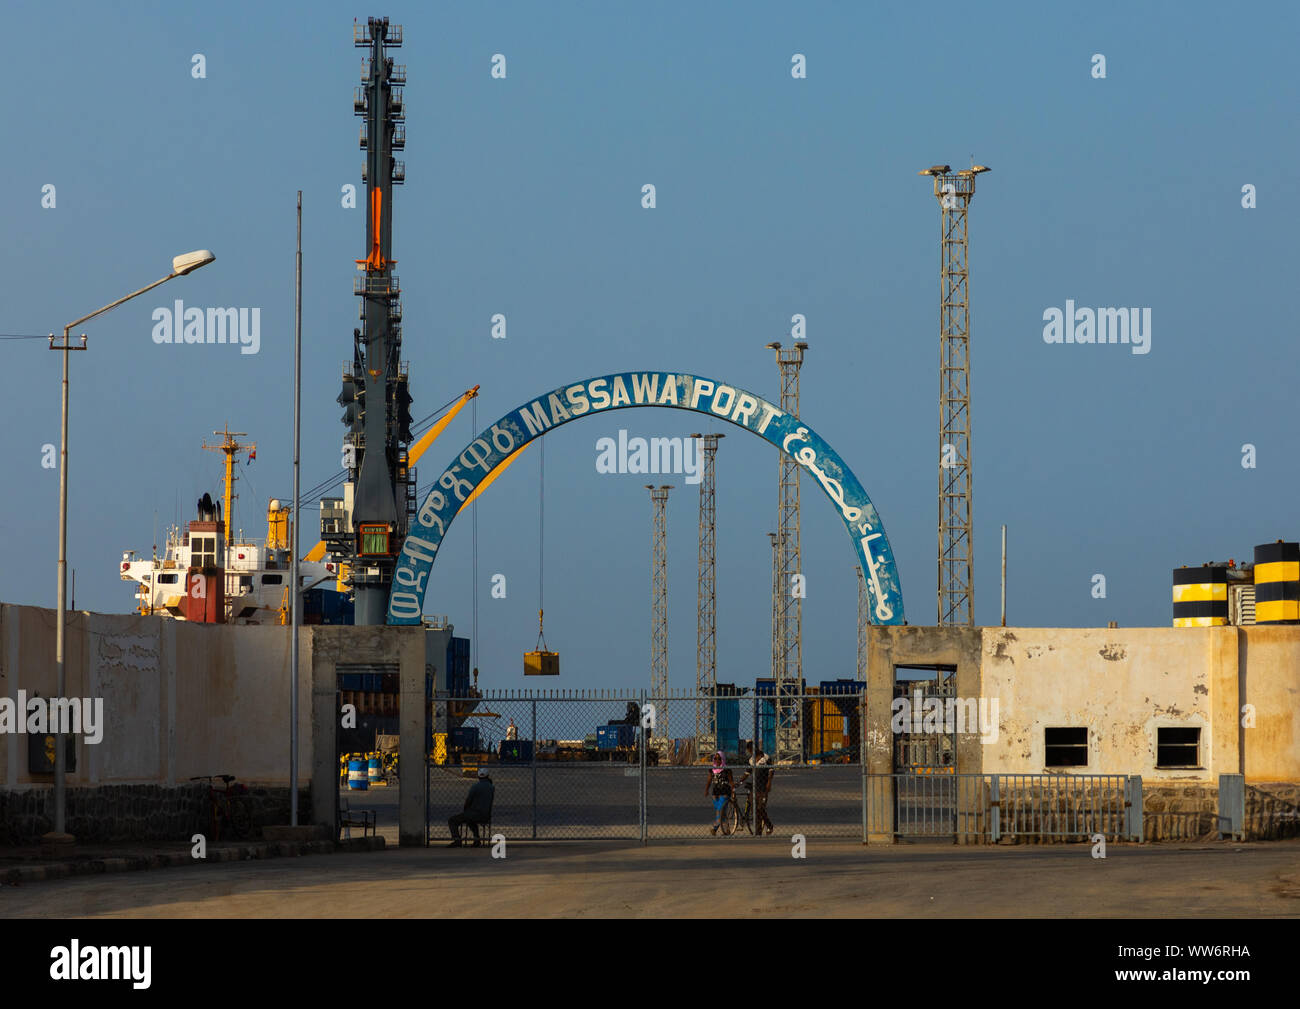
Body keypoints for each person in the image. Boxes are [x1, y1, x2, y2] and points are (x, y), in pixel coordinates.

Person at [448, 768, 494, 847]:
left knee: (452, 820)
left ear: (478, 776)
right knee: (470, 819)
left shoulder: (475, 786)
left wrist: (466, 809)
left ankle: (457, 840)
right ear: (488, 776)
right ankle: (476, 839)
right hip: (486, 815)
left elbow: (468, 800)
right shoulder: (491, 787)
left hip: (474, 813)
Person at [742, 740, 775, 835]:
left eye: (752, 750)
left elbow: (771, 770)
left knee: (761, 808)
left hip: (763, 788)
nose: (751, 752)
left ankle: (769, 825)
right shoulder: (751, 760)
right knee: (755, 810)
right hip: (754, 788)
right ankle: (758, 831)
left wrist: (769, 782)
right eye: (750, 751)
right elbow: (747, 773)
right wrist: (740, 781)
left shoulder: (766, 757)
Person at [704, 750, 734, 835]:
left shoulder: (727, 770)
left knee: (721, 811)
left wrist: (733, 791)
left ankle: (714, 828)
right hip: (715, 793)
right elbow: (709, 781)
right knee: (719, 812)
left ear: (723, 759)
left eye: (719, 759)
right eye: (715, 758)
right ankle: (726, 830)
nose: (717, 760)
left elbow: (731, 781)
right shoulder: (712, 770)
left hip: (724, 793)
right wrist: (706, 790)